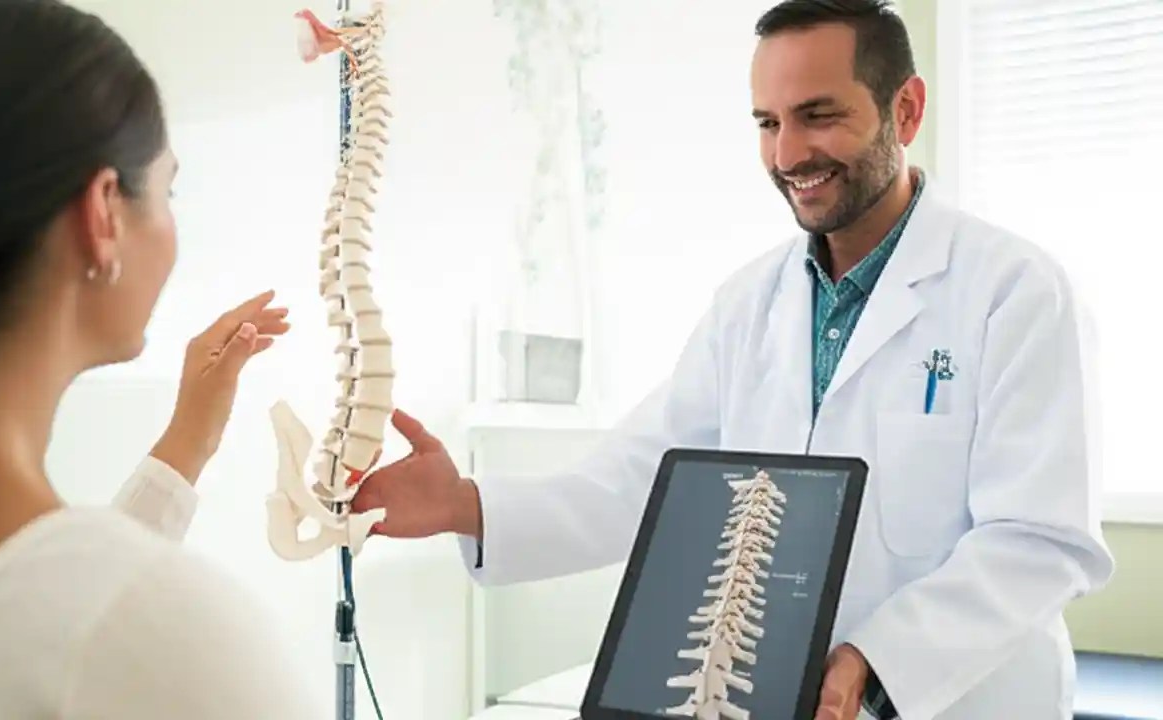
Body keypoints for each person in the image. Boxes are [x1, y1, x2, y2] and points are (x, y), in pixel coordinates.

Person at [354, 1, 1115, 718]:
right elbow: (645, 480)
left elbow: (1039, 540)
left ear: (906, 110)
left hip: (960, 700)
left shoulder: (1014, 292)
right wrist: (465, 506)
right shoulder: (749, 304)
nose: (788, 154)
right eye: (768, 123)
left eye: (819, 116)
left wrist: (876, 660)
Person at [0, 0, 321, 716]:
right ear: (104, 213)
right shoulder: (159, 630)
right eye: (169, 189)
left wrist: (186, 444)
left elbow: (35, 623)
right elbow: (86, 630)